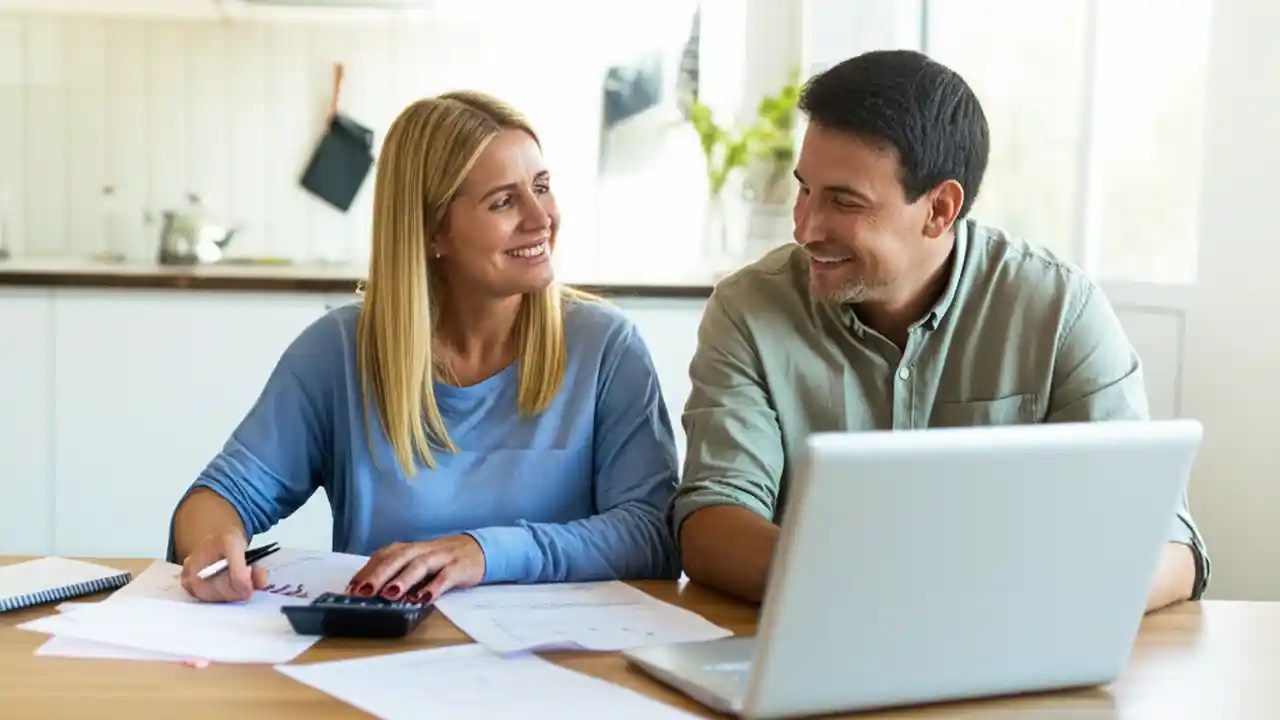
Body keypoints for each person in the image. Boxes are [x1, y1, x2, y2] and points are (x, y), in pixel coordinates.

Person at [672, 50, 1209, 613]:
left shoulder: (1059, 310)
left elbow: (1170, 544)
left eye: (843, 202)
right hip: (821, 637)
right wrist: (880, 597)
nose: (805, 227)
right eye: (805, 188)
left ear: (939, 209)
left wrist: (1024, 607)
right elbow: (711, 521)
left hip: (1013, 645)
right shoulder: (749, 309)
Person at [168, 91, 682, 605]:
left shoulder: (607, 348)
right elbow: (220, 498)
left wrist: (483, 553)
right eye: (503, 200)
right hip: (380, 660)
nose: (539, 216)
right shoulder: (338, 352)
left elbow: (651, 535)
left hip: (559, 660)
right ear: (433, 230)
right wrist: (217, 546)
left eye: (541, 187)